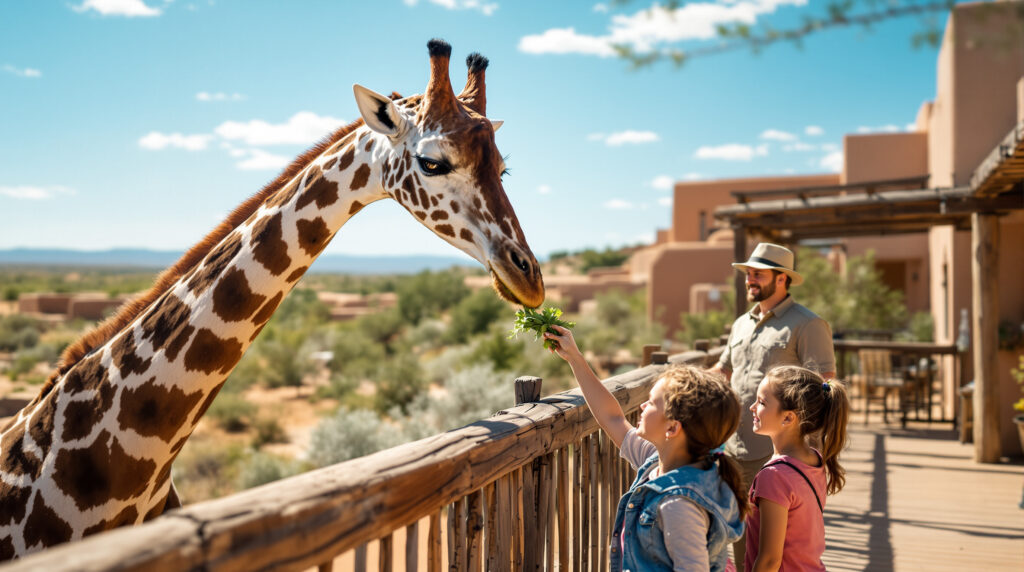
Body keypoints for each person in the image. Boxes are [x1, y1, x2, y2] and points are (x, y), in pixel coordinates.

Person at [544, 325, 748, 572]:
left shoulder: (678, 505)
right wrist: (575, 358)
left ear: (672, 429)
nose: (641, 406)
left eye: (651, 402)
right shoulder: (658, 460)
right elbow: (613, 419)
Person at [708, 242, 836, 569]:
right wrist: (677, 382)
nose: (749, 278)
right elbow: (722, 371)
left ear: (782, 279)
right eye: (747, 272)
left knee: (771, 549)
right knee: (739, 536)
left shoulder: (808, 324)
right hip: (732, 448)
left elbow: (822, 385)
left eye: (757, 273)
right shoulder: (741, 324)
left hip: (775, 456)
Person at [745, 366, 850, 571]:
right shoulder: (814, 459)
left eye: (762, 402)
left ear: (788, 418)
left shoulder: (773, 476)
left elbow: (769, 560)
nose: (752, 407)